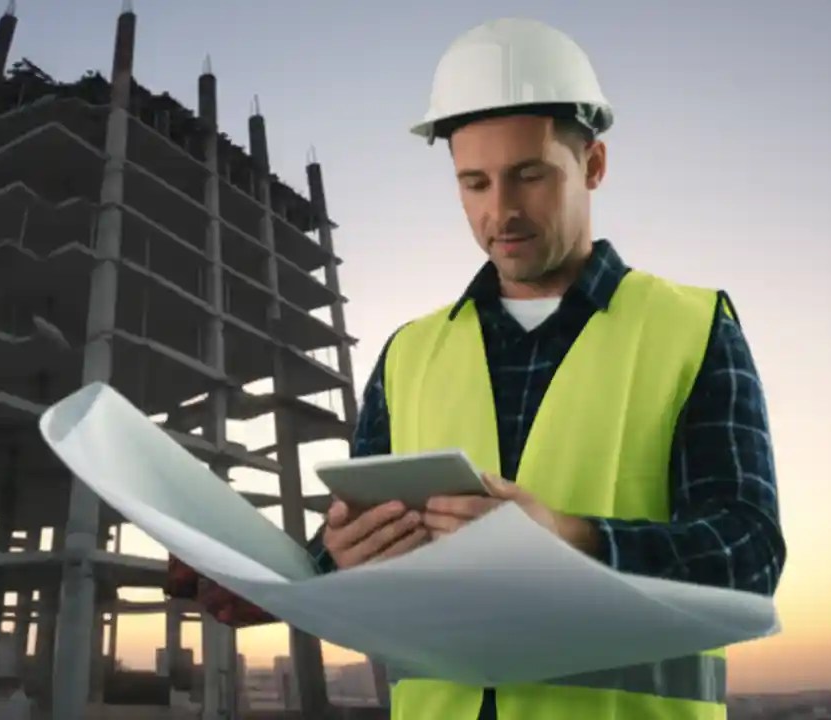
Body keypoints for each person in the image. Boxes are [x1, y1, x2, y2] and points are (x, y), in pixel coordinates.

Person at [164, 16, 786, 720]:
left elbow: (750, 555)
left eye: (530, 175)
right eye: (475, 183)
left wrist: (568, 539)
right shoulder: (409, 354)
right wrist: (302, 574)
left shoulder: (692, 329)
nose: (501, 211)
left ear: (593, 165)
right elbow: (362, 559)